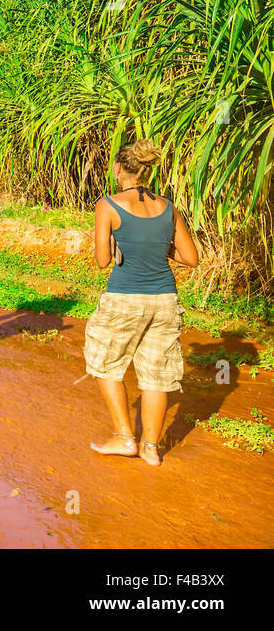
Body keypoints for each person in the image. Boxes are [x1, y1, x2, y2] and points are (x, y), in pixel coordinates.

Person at [86, 139, 198, 466]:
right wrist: (158, 246)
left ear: (119, 168)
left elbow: (103, 260)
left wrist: (117, 241)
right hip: (164, 298)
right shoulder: (167, 206)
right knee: (157, 375)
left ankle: (124, 437)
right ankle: (150, 448)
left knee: (105, 362)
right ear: (145, 168)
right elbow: (190, 258)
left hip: (124, 298)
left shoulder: (107, 205)